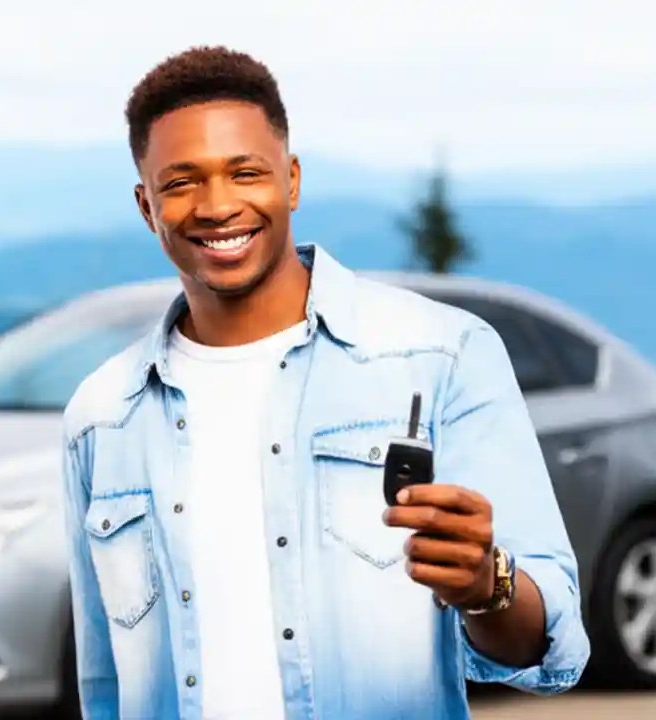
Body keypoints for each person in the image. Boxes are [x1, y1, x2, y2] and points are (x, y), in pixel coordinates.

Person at [60, 45, 590, 720]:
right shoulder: (100, 418)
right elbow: (104, 690)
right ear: (146, 206)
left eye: (244, 172)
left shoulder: (442, 357)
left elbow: (549, 646)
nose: (217, 205)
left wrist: (488, 584)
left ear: (292, 180)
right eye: (181, 182)